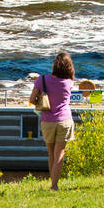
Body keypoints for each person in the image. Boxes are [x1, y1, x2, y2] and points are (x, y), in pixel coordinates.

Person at [29, 51, 76, 190]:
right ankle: (54, 185)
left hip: (47, 120)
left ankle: (53, 184)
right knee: (59, 154)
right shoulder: (69, 82)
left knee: (51, 154)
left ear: (54, 65)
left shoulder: (41, 80)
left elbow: (32, 99)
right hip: (65, 120)